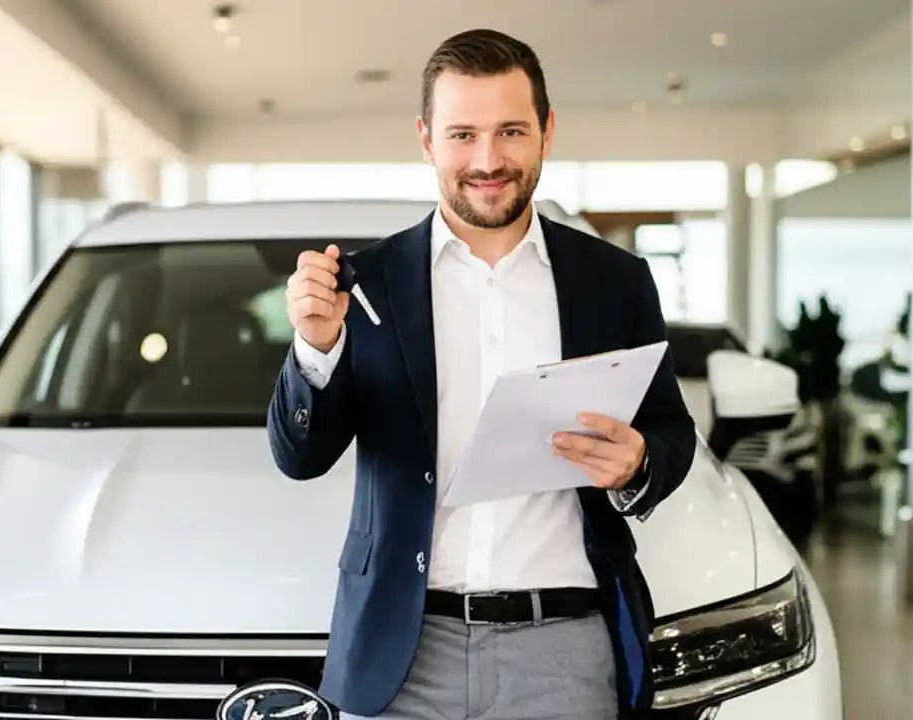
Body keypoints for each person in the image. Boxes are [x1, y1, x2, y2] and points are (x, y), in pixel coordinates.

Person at [267, 28, 696, 720]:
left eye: (511, 132)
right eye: (463, 134)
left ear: (547, 132)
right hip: (402, 656)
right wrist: (316, 349)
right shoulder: (366, 286)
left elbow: (671, 430)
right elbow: (300, 456)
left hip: (563, 654)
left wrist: (640, 462)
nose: (488, 160)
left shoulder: (615, 282)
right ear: (426, 139)